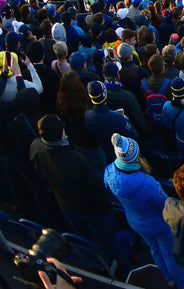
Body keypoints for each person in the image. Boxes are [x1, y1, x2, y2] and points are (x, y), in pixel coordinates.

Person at [28, 114, 122, 268]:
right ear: (61, 133)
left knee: (83, 238)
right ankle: (122, 268)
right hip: (94, 209)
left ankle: (94, 265)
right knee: (109, 243)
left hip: (66, 205)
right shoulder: (75, 159)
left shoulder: (36, 147)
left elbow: (40, 175)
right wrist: (107, 205)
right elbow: (96, 187)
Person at [103, 134, 184, 289]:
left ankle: (169, 279)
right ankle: (182, 282)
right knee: (168, 253)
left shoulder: (109, 172)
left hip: (136, 222)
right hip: (159, 225)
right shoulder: (148, 184)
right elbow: (165, 205)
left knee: (155, 250)